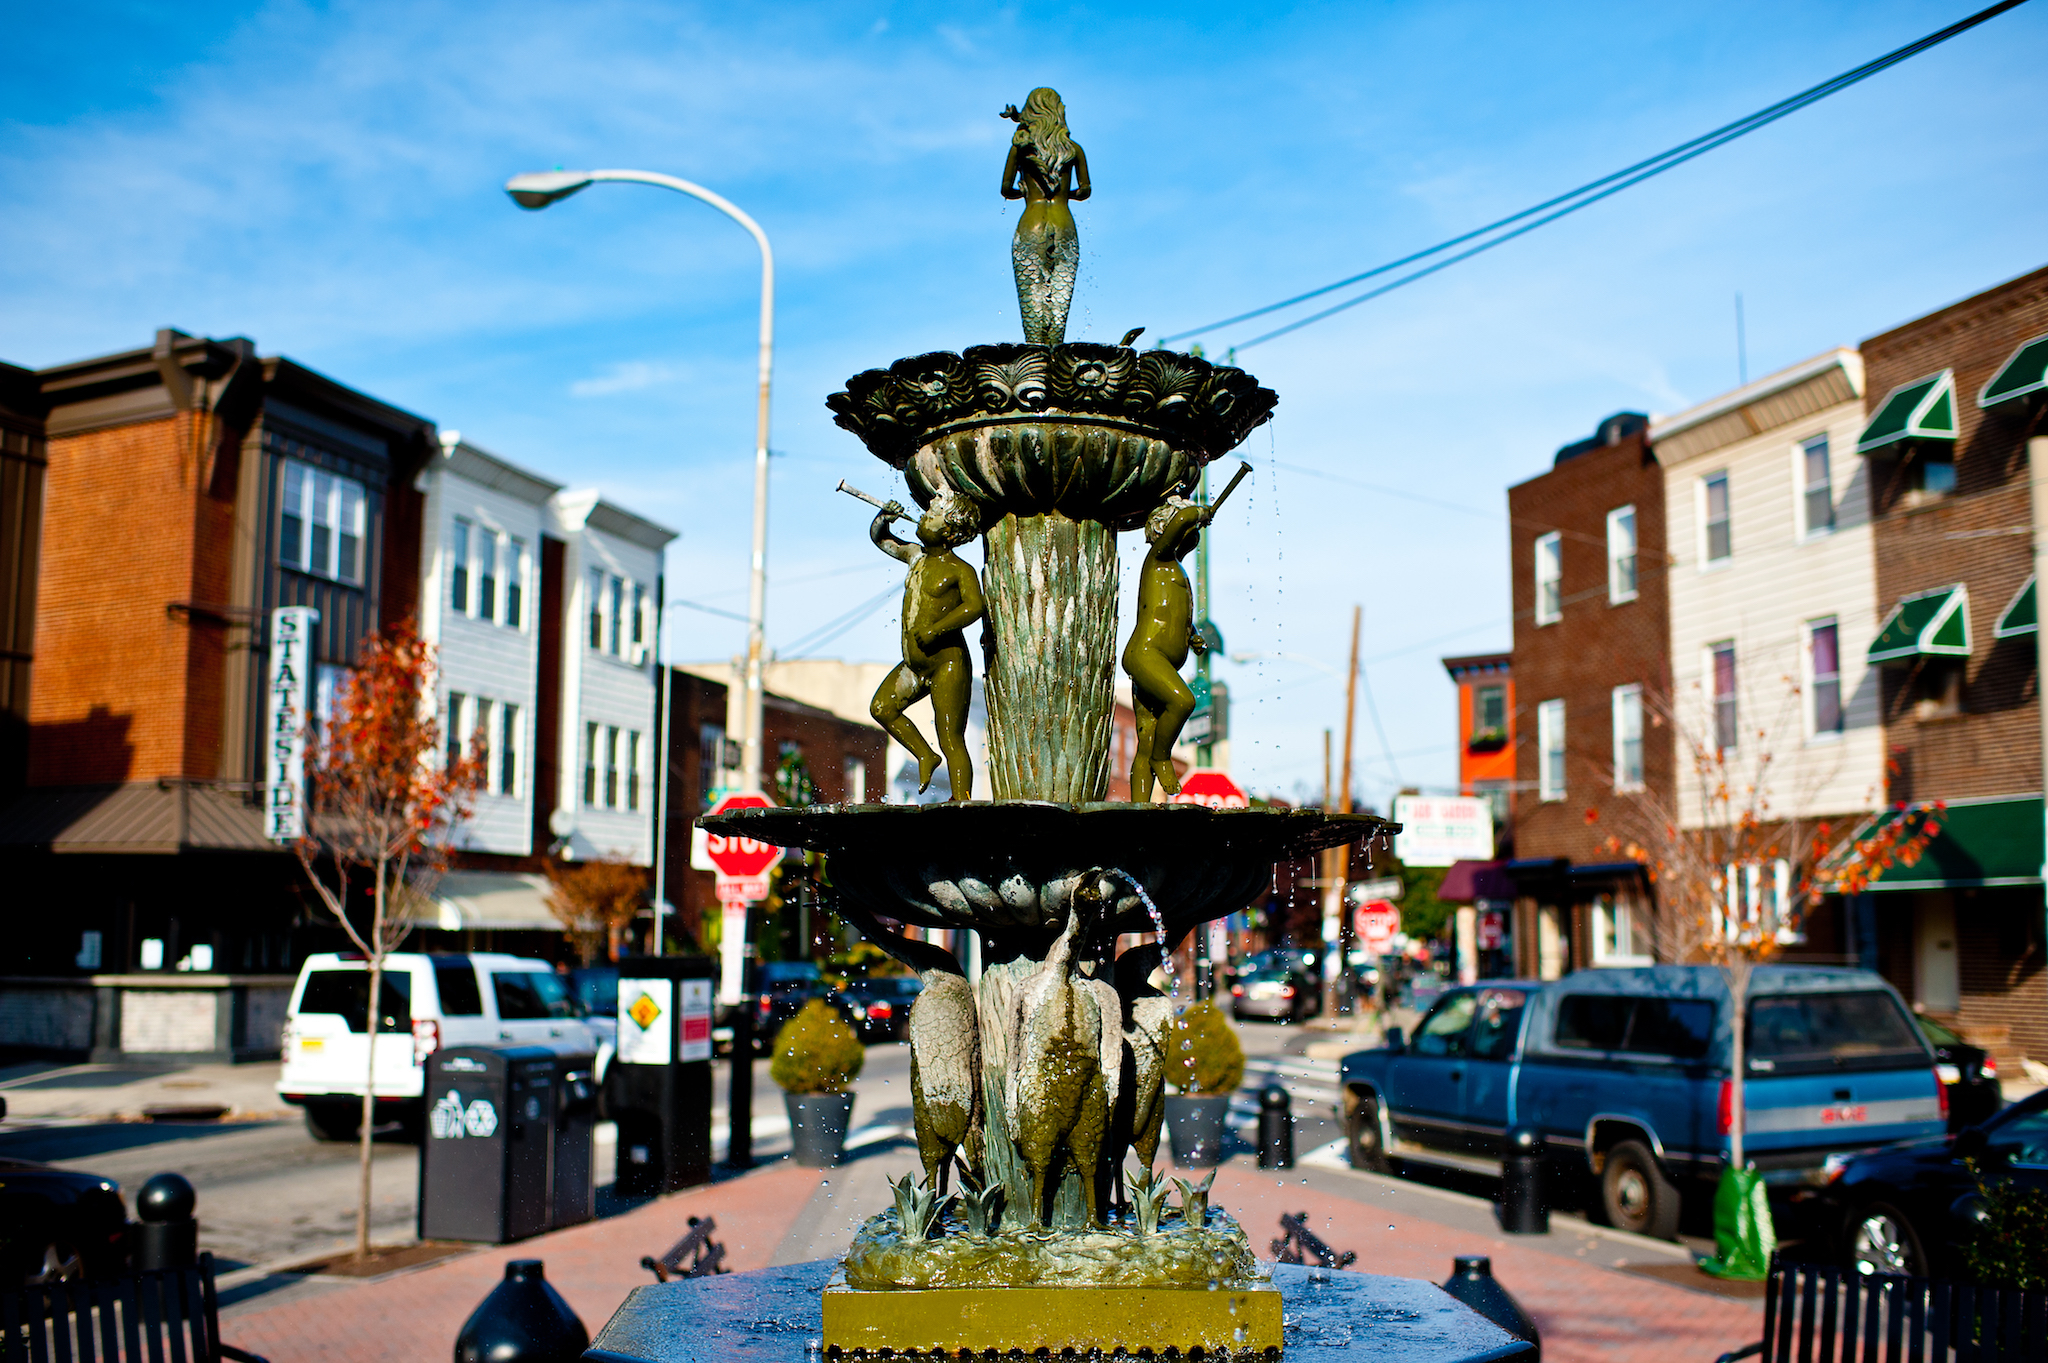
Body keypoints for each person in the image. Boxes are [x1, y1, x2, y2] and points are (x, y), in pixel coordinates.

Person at [868, 494, 985, 799]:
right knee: (882, 708)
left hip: (948, 664)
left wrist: (937, 629)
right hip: (914, 664)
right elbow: (881, 539)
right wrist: (884, 518)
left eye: (932, 515)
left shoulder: (960, 570)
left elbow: (975, 606)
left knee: (950, 737)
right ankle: (924, 755)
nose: (923, 517)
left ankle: (961, 800)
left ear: (949, 532)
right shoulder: (915, 556)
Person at [1122, 495, 1209, 801]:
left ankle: (1138, 807)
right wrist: (1196, 511)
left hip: (1161, 661)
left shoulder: (1178, 572)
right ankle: (1163, 756)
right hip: (1145, 656)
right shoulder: (1159, 559)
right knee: (1183, 702)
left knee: (1146, 738)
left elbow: (1172, 612)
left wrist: (1191, 634)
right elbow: (1183, 522)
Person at [1001, 88, 1090, 345]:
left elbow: (1005, 189)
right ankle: (1056, 356)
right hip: (1064, 224)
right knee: (1059, 306)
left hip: (1031, 223)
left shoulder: (1020, 149)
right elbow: (1085, 191)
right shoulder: (1074, 149)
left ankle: (1036, 358)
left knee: (1033, 304)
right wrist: (1065, 195)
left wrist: (1024, 190)